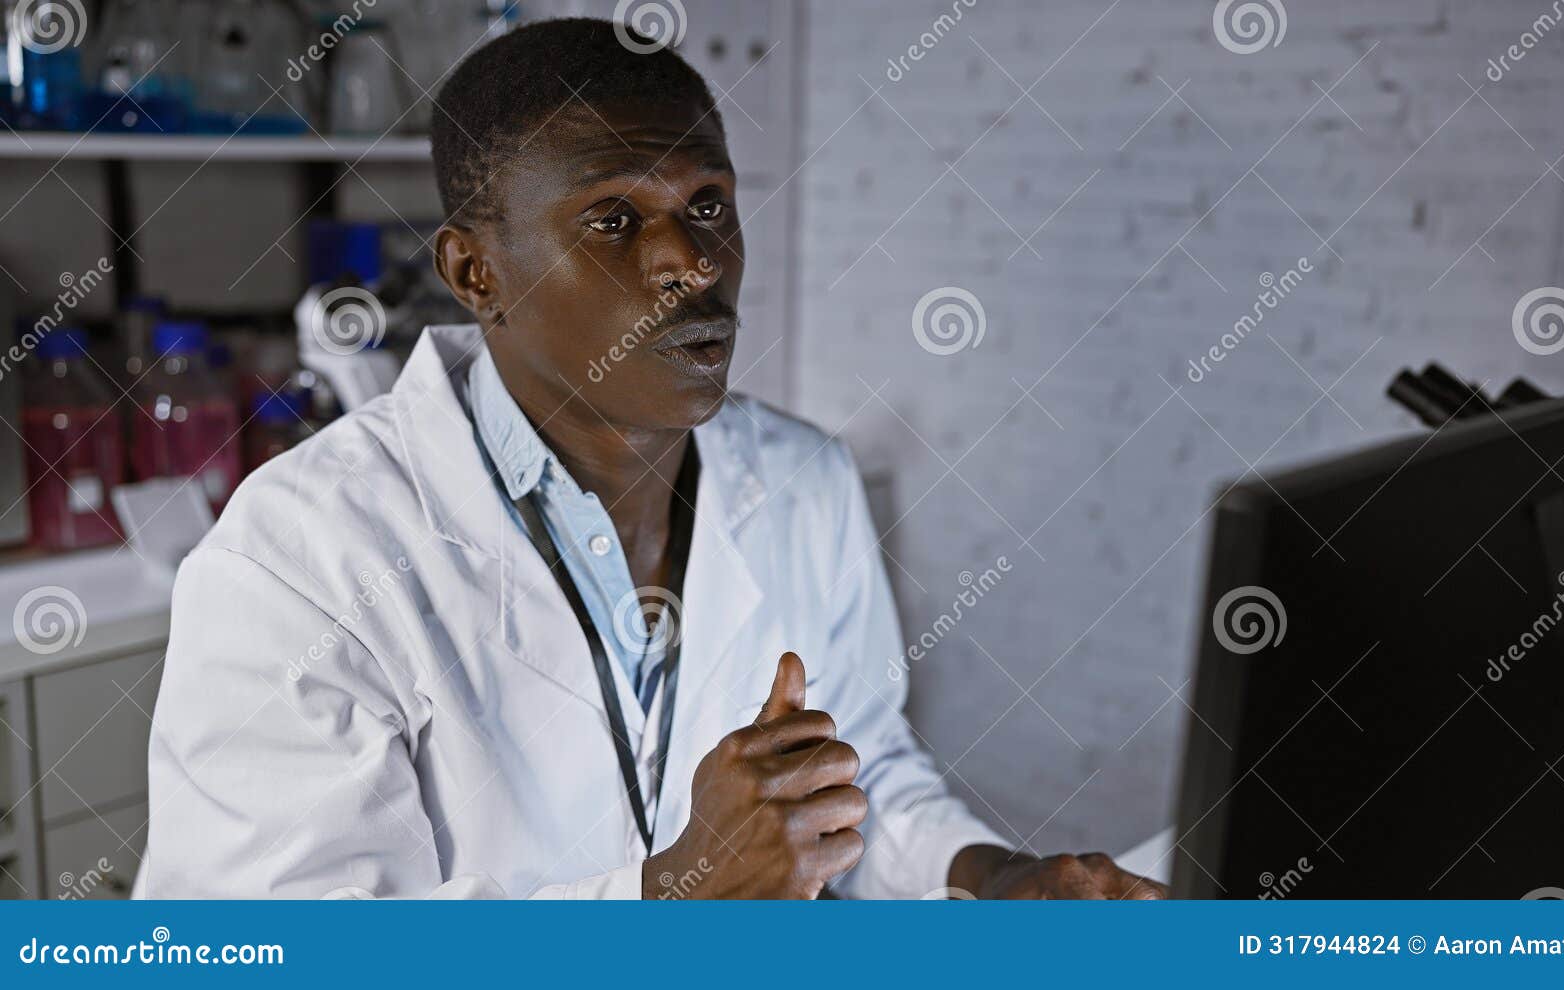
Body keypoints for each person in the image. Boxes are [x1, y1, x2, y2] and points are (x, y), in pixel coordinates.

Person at [137, 17, 1163, 901]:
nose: (691, 261)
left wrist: (990, 879)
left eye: (707, 203)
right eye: (614, 219)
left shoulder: (803, 482)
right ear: (475, 271)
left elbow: (861, 780)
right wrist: (677, 894)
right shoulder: (299, 560)